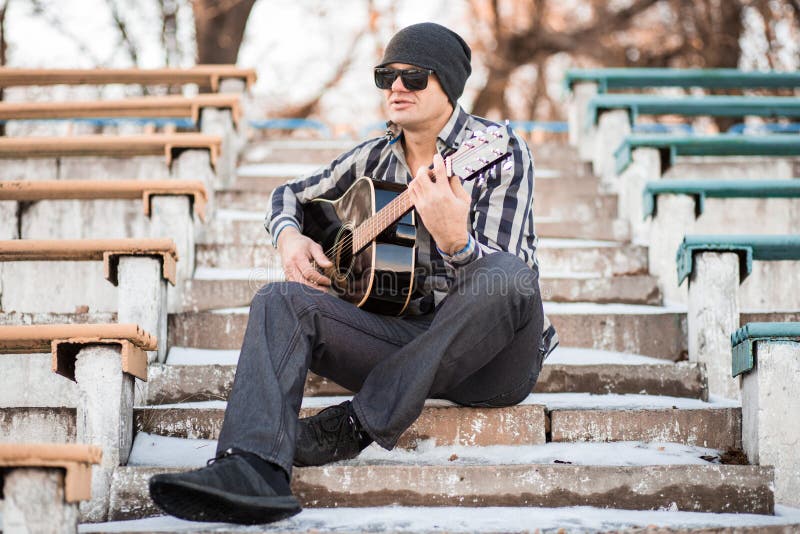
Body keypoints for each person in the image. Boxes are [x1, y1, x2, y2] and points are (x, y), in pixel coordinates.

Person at [149, 22, 556, 525]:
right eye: (386, 76)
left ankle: (356, 423)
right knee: (279, 302)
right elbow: (290, 195)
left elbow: (505, 284)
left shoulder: (494, 152)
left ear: (448, 84)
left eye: (414, 77)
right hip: (404, 341)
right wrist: (289, 237)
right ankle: (252, 468)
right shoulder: (372, 158)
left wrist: (458, 244)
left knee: (511, 274)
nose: (397, 88)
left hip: (491, 362)